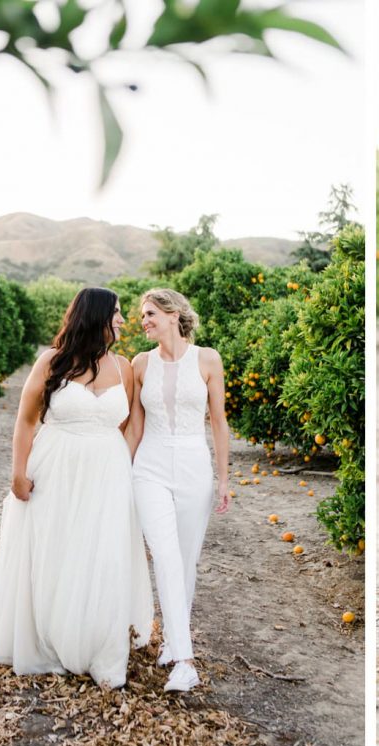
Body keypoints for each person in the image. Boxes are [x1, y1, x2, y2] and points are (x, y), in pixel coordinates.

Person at [0, 288, 153, 688]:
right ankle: (48, 637)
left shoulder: (124, 367)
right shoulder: (51, 361)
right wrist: (18, 472)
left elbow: (127, 426)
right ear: (95, 317)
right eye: (117, 314)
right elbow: (25, 421)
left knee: (99, 554)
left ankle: (93, 642)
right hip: (54, 466)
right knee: (54, 547)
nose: (123, 321)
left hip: (107, 471)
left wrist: (117, 467)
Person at [126, 288, 230, 693]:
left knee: (185, 561)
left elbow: (218, 422)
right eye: (141, 316)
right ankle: (185, 661)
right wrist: (121, 470)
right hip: (148, 466)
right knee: (166, 556)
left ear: (172, 314)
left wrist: (223, 478)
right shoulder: (139, 364)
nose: (144, 321)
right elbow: (135, 425)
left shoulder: (207, 359)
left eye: (150, 313)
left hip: (193, 466)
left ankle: (172, 640)